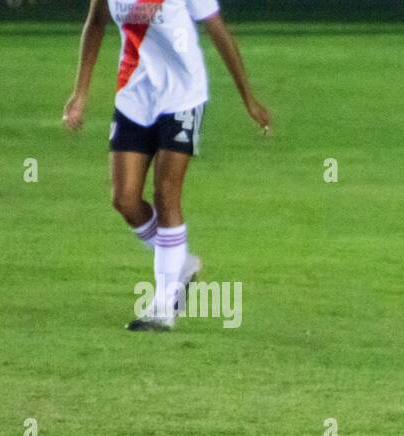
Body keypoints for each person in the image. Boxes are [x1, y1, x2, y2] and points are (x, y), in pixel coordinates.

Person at [62, 0, 271, 331]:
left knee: (166, 194)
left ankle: (163, 308)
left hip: (182, 97)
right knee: (125, 199)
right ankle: (182, 264)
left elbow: (218, 31)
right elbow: (96, 24)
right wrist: (80, 93)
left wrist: (248, 97)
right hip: (134, 96)